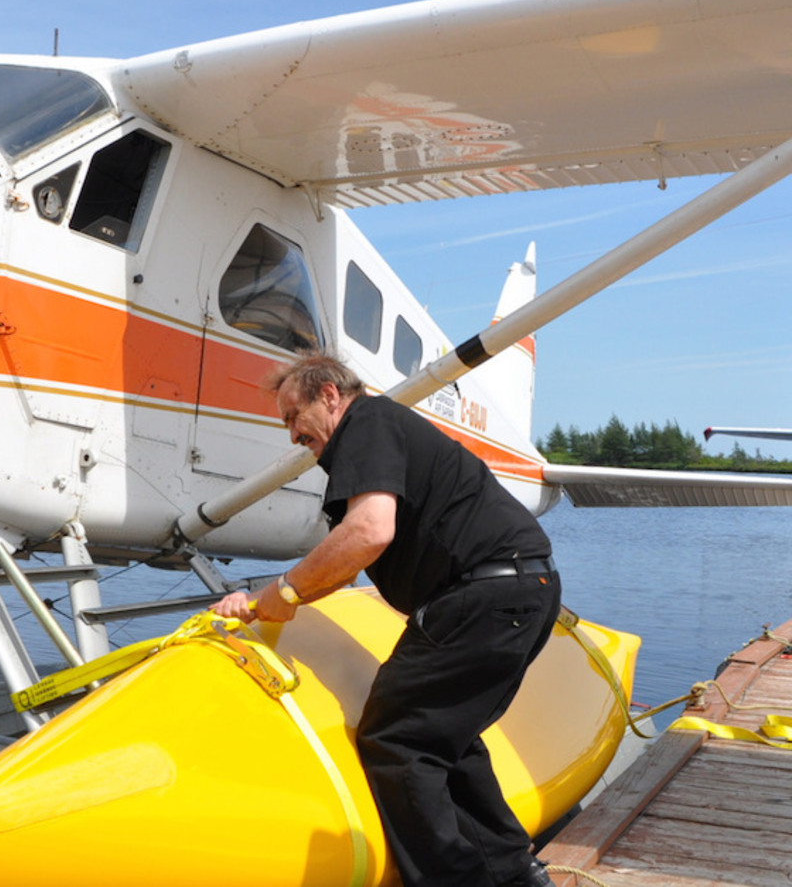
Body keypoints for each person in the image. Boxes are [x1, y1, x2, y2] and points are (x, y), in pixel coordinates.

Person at [212, 351, 561, 887]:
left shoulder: (366, 422)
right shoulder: (380, 432)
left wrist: (283, 590)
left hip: (482, 597)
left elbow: (371, 531)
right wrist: (273, 599)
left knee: (397, 739)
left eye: (292, 416)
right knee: (445, 735)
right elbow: (350, 557)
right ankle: (515, 874)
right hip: (521, 589)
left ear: (330, 395)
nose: (291, 435)